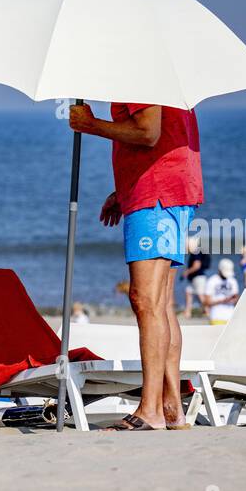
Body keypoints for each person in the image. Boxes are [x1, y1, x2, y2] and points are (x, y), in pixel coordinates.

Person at [70, 99, 202, 430]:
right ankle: (171, 408)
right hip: (167, 189)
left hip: (156, 195)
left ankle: (151, 410)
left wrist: (91, 124)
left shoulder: (139, 72)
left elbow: (148, 132)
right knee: (160, 303)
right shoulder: (155, 69)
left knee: (144, 300)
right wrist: (125, 187)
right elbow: (162, 135)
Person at [203, 258, 240, 325]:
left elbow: (236, 298)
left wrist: (233, 300)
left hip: (231, 318)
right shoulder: (212, 280)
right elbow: (207, 302)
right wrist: (222, 301)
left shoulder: (232, 281)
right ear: (220, 270)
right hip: (216, 317)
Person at [182, 235, 209, 319]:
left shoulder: (196, 253)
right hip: (195, 277)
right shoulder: (198, 252)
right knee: (188, 292)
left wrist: (186, 272)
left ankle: (208, 312)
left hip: (198, 277)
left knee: (201, 295)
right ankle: (187, 312)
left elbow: (197, 266)